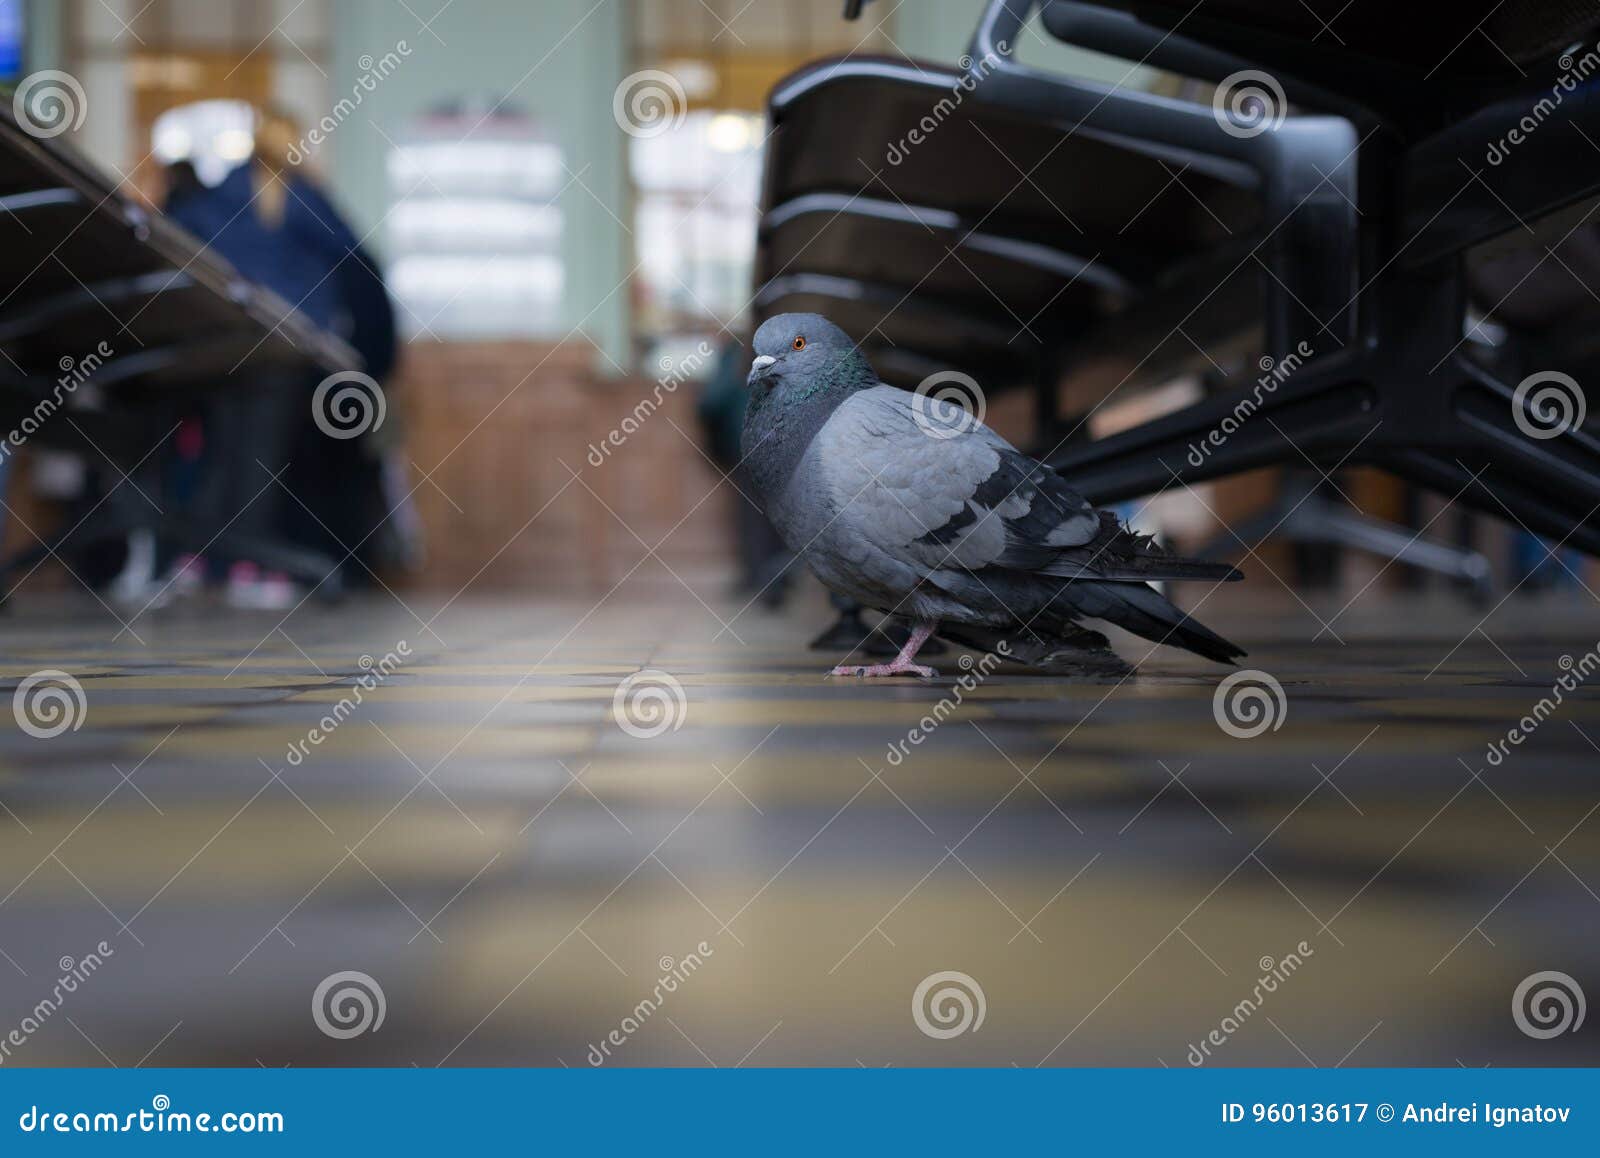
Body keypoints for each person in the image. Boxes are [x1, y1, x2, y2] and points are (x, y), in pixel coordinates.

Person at [162, 108, 395, 608]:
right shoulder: (303, 197)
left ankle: (201, 559)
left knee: (216, 453)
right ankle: (251, 563)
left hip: (217, 346)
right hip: (286, 350)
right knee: (260, 460)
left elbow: (173, 240)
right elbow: (359, 262)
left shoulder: (214, 196)